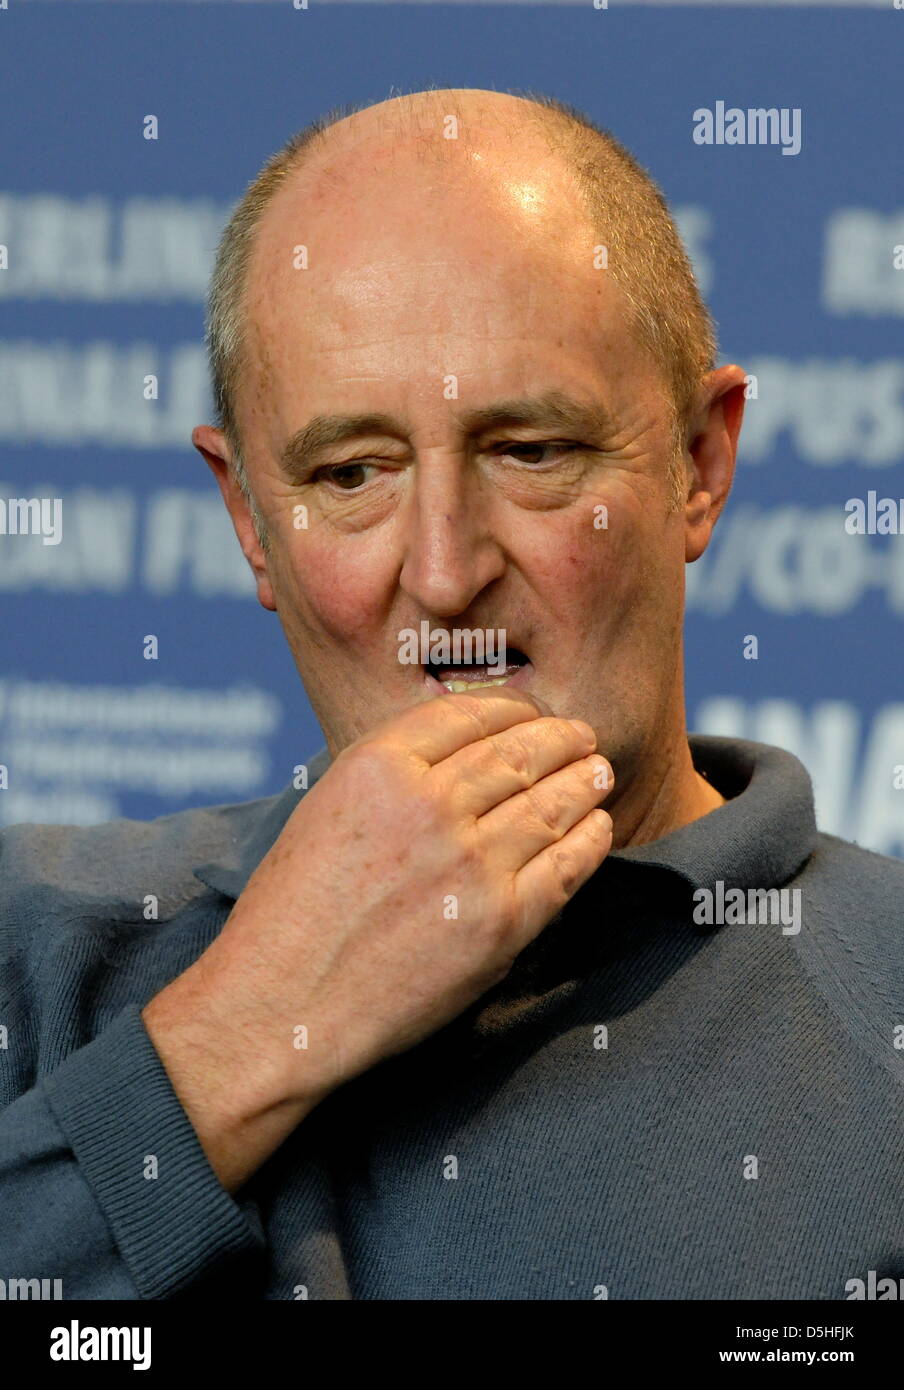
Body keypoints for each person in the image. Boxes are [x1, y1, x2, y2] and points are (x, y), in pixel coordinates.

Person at [1, 88, 901, 1301]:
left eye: (530, 451)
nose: (441, 569)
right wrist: (238, 1041)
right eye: (352, 473)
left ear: (699, 464)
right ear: (250, 519)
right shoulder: (36, 943)